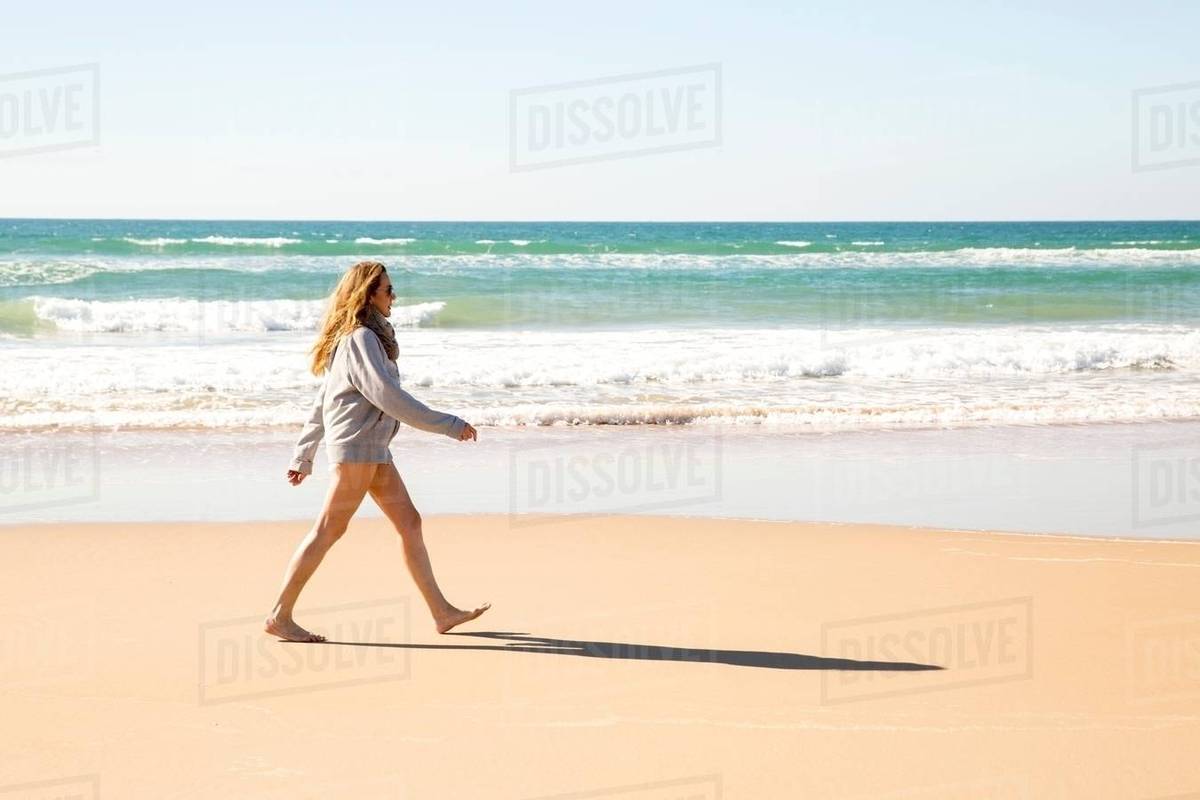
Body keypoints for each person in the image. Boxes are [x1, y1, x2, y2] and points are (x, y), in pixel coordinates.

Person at [265, 260, 489, 643]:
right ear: (368, 294)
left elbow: (323, 400)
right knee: (328, 529)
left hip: (373, 447)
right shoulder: (360, 339)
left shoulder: (362, 337)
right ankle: (279, 615)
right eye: (387, 289)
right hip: (358, 448)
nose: (394, 295)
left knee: (410, 523)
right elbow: (387, 397)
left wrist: (303, 456)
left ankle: (441, 612)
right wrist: (448, 425)